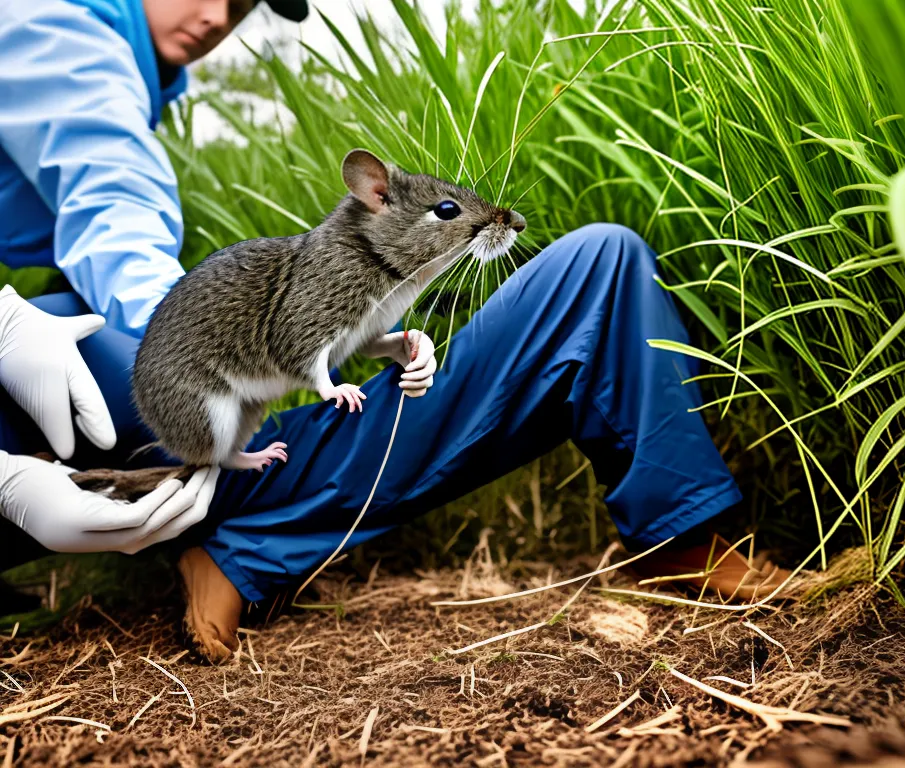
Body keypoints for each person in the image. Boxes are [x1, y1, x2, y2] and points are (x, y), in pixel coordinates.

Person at [0, 0, 786, 662]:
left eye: (243, 7)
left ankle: (240, 546)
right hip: (80, 402)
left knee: (591, 273)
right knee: (599, 271)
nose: (216, 19)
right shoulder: (64, 31)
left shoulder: (126, 67)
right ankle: (244, 545)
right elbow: (113, 209)